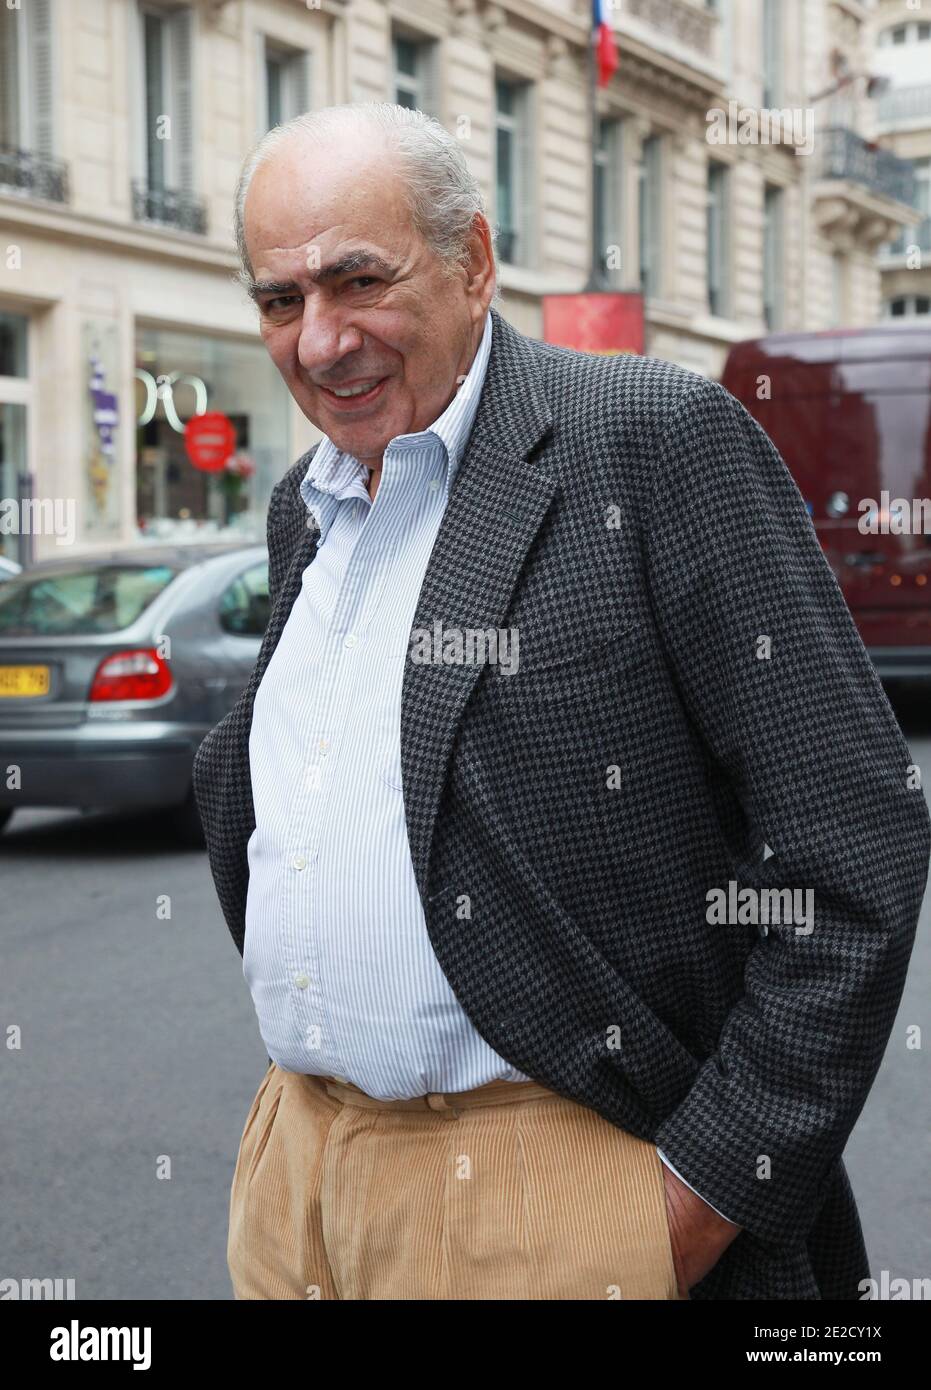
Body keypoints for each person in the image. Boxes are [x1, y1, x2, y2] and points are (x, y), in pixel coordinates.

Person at [194, 101, 930, 1300]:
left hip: (560, 1199)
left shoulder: (651, 442)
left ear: (475, 262)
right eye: (281, 301)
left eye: (357, 281)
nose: (320, 341)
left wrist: (701, 1200)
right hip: (302, 1190)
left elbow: (854, 846)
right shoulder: (305, 506)